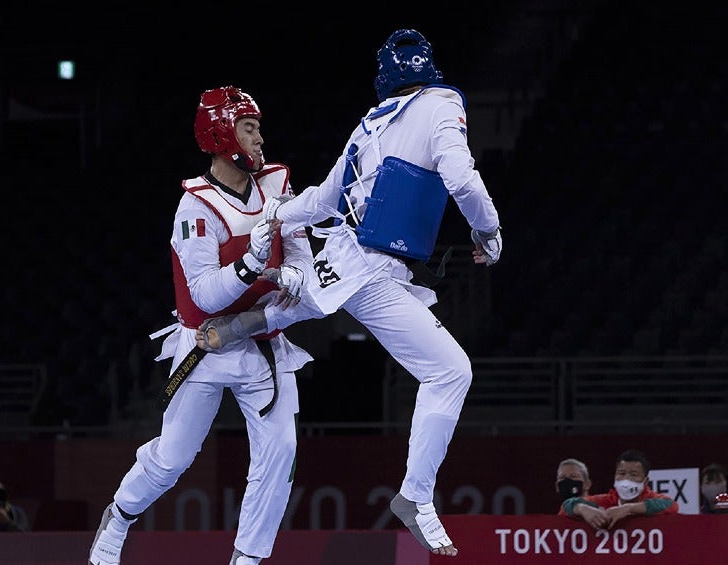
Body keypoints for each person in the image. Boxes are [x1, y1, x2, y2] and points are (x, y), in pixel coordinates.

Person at [196, 29, 503, 557]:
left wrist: (273, 216)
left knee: (309, 298)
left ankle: (242, 323)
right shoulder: (442, 103)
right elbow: (462, 178)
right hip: (374, 266)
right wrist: (488, 229)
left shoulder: (370, 122)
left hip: (349, 255)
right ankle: (416, 497)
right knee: (451, 371)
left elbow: (321, 199)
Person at [88, 85, 315, 565]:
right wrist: (251, 265)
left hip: (264, 342)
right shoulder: (194, 207)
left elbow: (298, 248)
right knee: (172, 458)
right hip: (205, 345)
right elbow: (204, 295)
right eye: (249, 128)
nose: (260, 138)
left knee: (280, 454)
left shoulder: (277, 184)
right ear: (222, 133)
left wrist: (297, 269)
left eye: (258, 128)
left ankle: (247, 560)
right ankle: (119, 517)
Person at [562, 449, 678, 529]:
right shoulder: (605, 501)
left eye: (633, 474)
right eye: (621, 473)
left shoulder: (650, 499)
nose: (626, 479)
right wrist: (582, 508)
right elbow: (566, 506)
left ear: (646, 481)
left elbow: (671, 505)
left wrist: (628, 509)